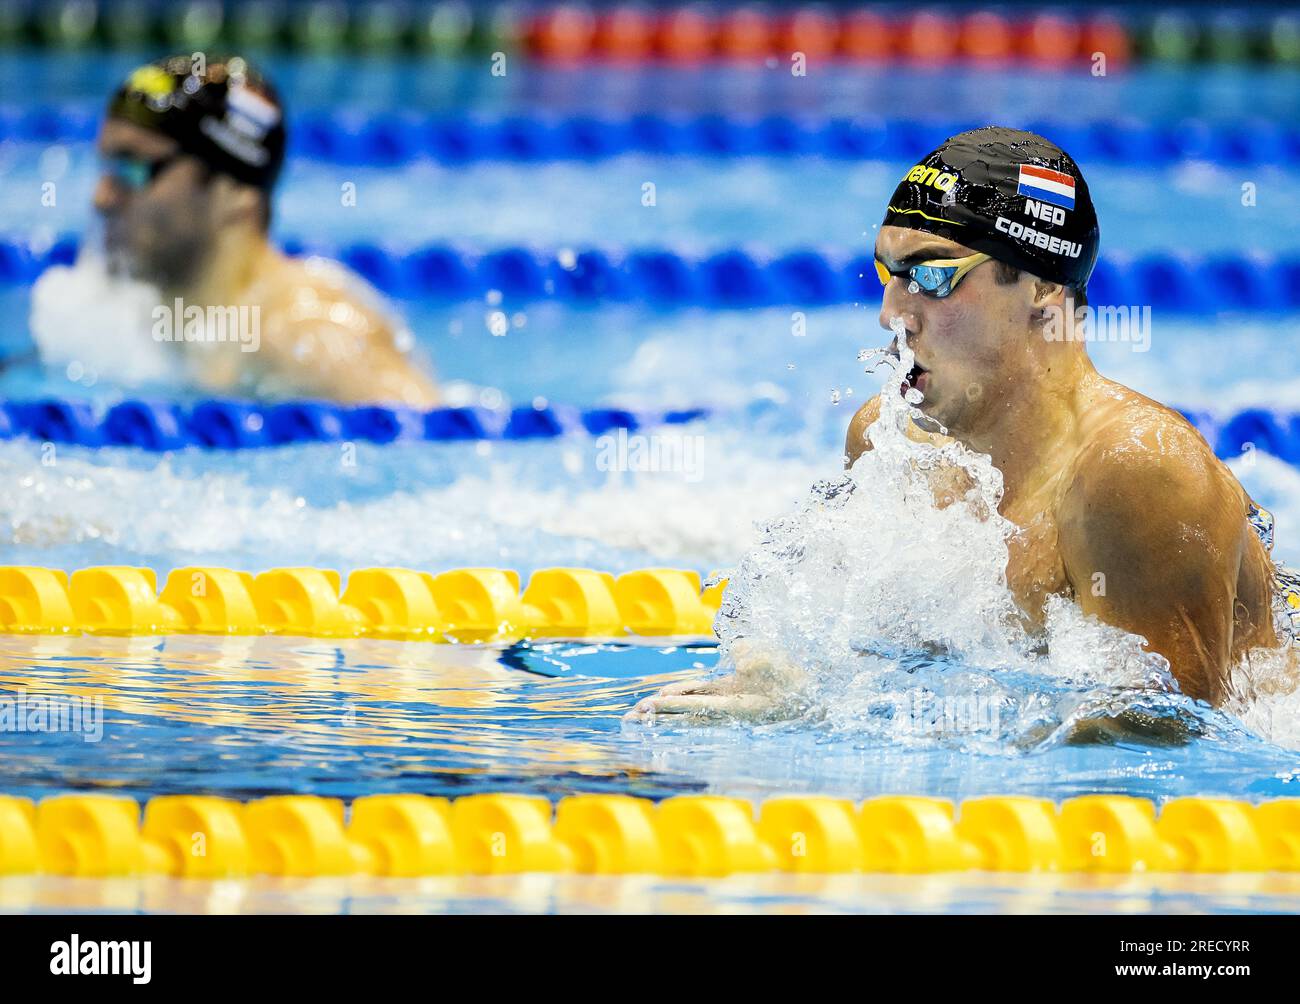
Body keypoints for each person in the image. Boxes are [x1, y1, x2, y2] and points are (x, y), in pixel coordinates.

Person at [631, 126, 1296, 721]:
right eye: (888, 274)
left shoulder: (1136, 472)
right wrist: (784, 684)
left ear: (1040, 287)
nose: (893, 314)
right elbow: (889, 660)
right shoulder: (888, 441)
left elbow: (1166, 751)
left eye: (933, 278)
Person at [91, 54, 439, 405]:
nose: (101, 198)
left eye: (132, 170)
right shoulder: (142, 318)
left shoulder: (305, 332)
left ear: (234, 192)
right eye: (106, 168)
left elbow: (426, 434)